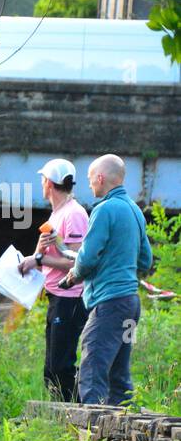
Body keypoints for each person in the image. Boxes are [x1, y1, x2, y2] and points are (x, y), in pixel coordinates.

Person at [55, 154, 154, 406]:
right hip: (131, 304)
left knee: (93, 365)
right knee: (119, 373)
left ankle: (91, 435)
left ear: (100, 178)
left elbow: (87, 258)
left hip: (109, 303)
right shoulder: (135, 211)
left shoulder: (104, 209)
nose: (89, 185)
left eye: (90, 179)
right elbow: (145, 261)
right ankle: (122, 433)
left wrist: (74, 274)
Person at [18, 159, 90, 401]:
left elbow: (77, 262)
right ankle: (61, 418)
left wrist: (40, 260)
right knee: (51, 367)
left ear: (48, 182)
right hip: (56, 296)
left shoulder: (74, 214)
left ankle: (79, 415)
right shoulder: (58, 213)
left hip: (70, 297)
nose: (41, 184)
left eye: (42, 180)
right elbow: (50, 255)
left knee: (61, 366)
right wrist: (35, 258)